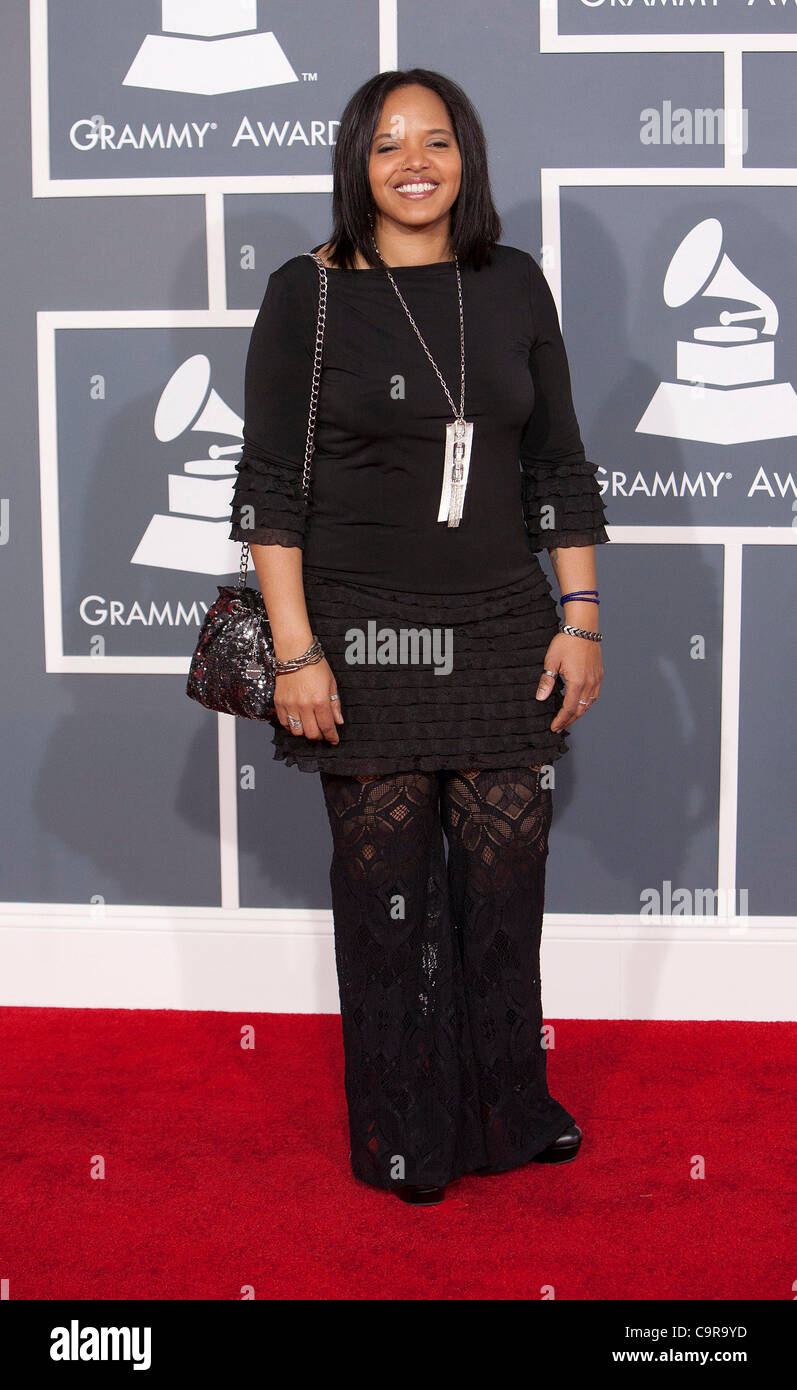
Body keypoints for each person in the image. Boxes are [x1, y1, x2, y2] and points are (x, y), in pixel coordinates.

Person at [229, 68, 610, 1205]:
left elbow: (556, 466)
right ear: (355, 163)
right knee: (386, 894)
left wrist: (579, 617)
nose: (410, 161)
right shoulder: (308, 294)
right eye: (385, 142)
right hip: (362, 640)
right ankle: (405, 1133)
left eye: (433, 140)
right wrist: (296, 653)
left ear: (464, 159)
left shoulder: (513, 285)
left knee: (502, 883)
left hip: (501, 626)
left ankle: (509, 1105)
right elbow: (268, 492)